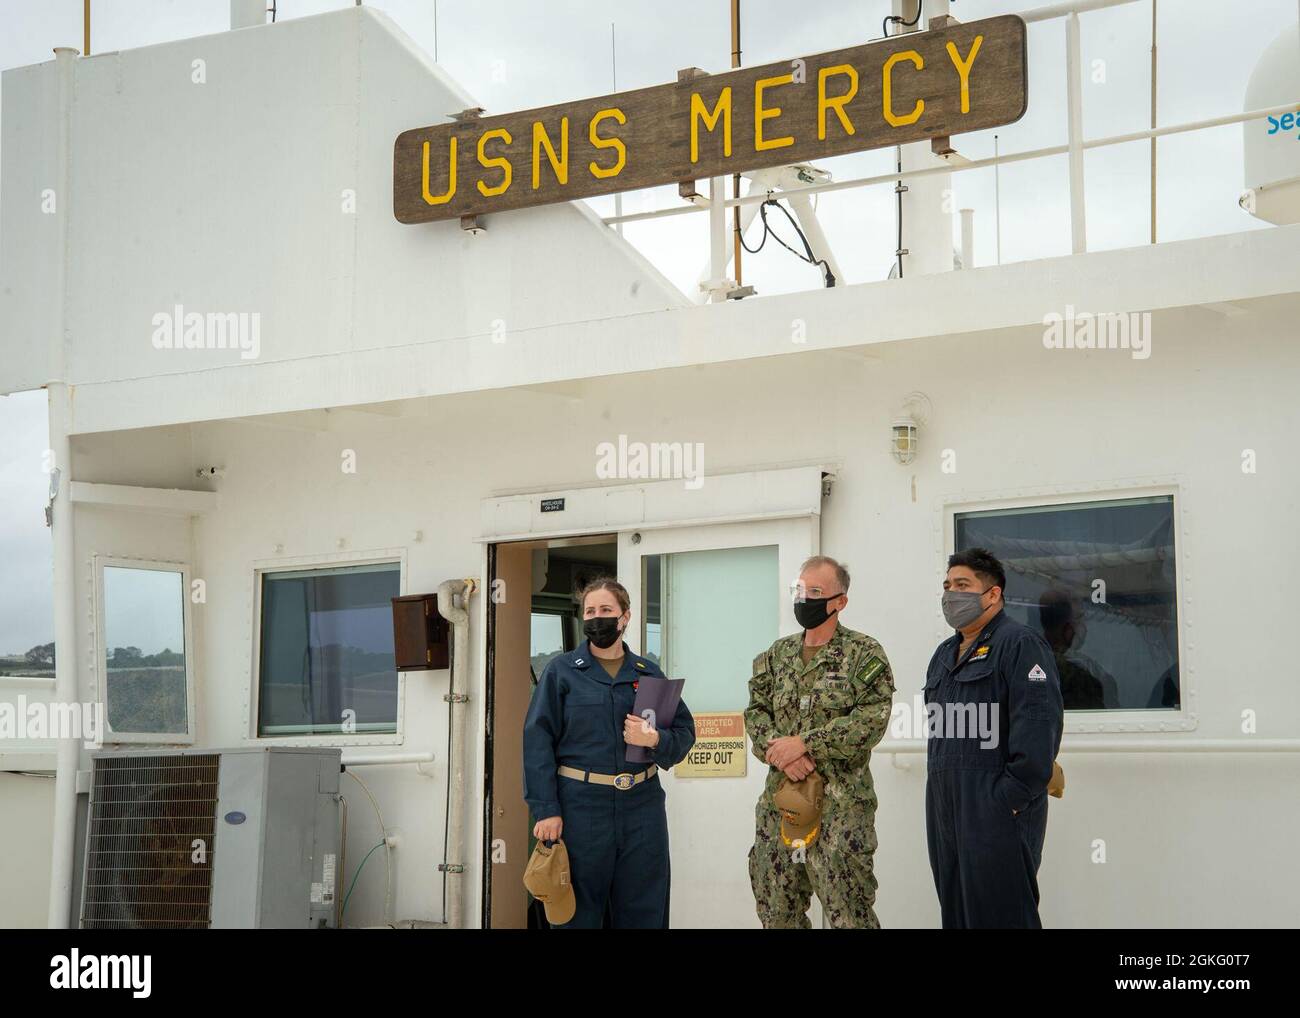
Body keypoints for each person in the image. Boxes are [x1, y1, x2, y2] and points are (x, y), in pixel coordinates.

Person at [522, 577, 695, 928]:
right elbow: (537, 741)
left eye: (605, 610)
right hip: (581, 807)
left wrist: (654, 740)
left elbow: (683, 734)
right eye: (590, 611)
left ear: (625, 617)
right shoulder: (562, 672)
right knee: (577, 913)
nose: (596, 618)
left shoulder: (648, 673)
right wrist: (545, 810)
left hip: (642, 808)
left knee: (644, 909)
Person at [744, 555, 896, 928]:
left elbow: (870, 722)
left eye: (815, 592)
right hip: (780, 807)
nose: (804, 598)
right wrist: (781, 754)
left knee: (850, 914)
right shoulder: (776, 655)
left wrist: (806, 743)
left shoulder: (865, 653)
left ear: (839, 602)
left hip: (841, 812)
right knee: (778, 911)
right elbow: (756, 712)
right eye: (800, 590)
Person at [925, 548, 1064, 929]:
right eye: (947, 585)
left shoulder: (1019, 644)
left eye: (963, 585)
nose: (951, 594)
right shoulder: (943, 655)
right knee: (957, 916)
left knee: (1004, 918)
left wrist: (1007, 801)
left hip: (996, 810)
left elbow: (1038, 730)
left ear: (992, 595)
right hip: (946, 811)